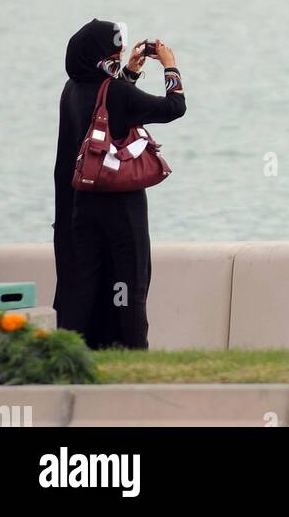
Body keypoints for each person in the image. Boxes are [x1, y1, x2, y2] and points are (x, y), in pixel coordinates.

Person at [53, 19, 186, 348]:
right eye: (116, 47)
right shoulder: (117, 92)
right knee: (128, 282)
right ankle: (130, 350)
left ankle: (81, 350)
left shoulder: (72, 90)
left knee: (88, 281)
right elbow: (174, 107)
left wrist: (130, 72)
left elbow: (108, 109)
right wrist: (171, 67)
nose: (121, 50)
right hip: (121, 205)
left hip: (82, 207)